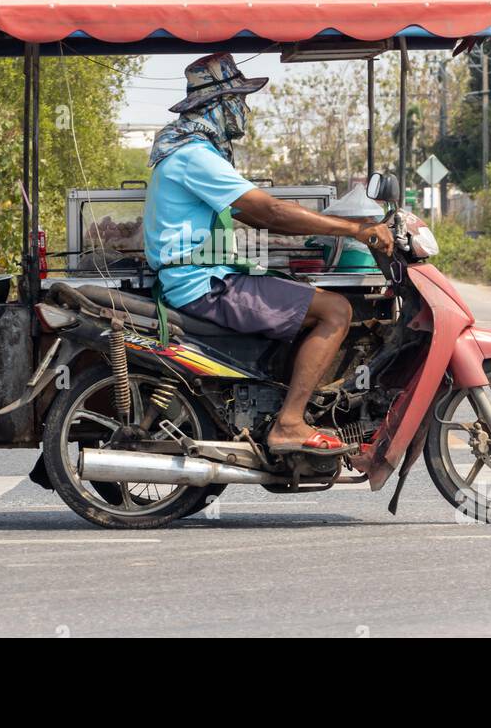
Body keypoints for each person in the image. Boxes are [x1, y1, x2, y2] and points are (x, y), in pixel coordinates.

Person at [143, 53, 394, 456]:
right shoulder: (194, 156)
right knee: (335, 311)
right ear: (217, 105)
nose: (245, 109)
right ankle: (290, 423)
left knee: (302, 294)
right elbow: (270, 213)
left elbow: (255, 215)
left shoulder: (189, 150)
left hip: (204, 277)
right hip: (203, 285)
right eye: (239, 99)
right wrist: (354, 230)